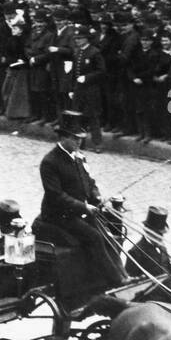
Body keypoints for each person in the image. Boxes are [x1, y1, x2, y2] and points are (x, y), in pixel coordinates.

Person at [35, 110, 125, 289]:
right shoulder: (50, 162)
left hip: (80, 212)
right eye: (75, 138)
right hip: (58, 216)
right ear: (63, 138)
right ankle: (115, 280)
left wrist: (97, 198)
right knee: (94, 237)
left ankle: (123, 273)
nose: (79, 142)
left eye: (80, 138)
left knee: (108, 233)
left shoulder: (79, 158)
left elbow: (90, 183)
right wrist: (84, 207)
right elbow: (56, 196)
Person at [124, 206, 171, 295]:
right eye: (157, 234)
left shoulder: (162, 247)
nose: (161, 237)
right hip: (150, 297)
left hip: (169, 292)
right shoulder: (135, 252)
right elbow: (132, 284)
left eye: (162, 234)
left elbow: (169, 273)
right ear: (148, 232)